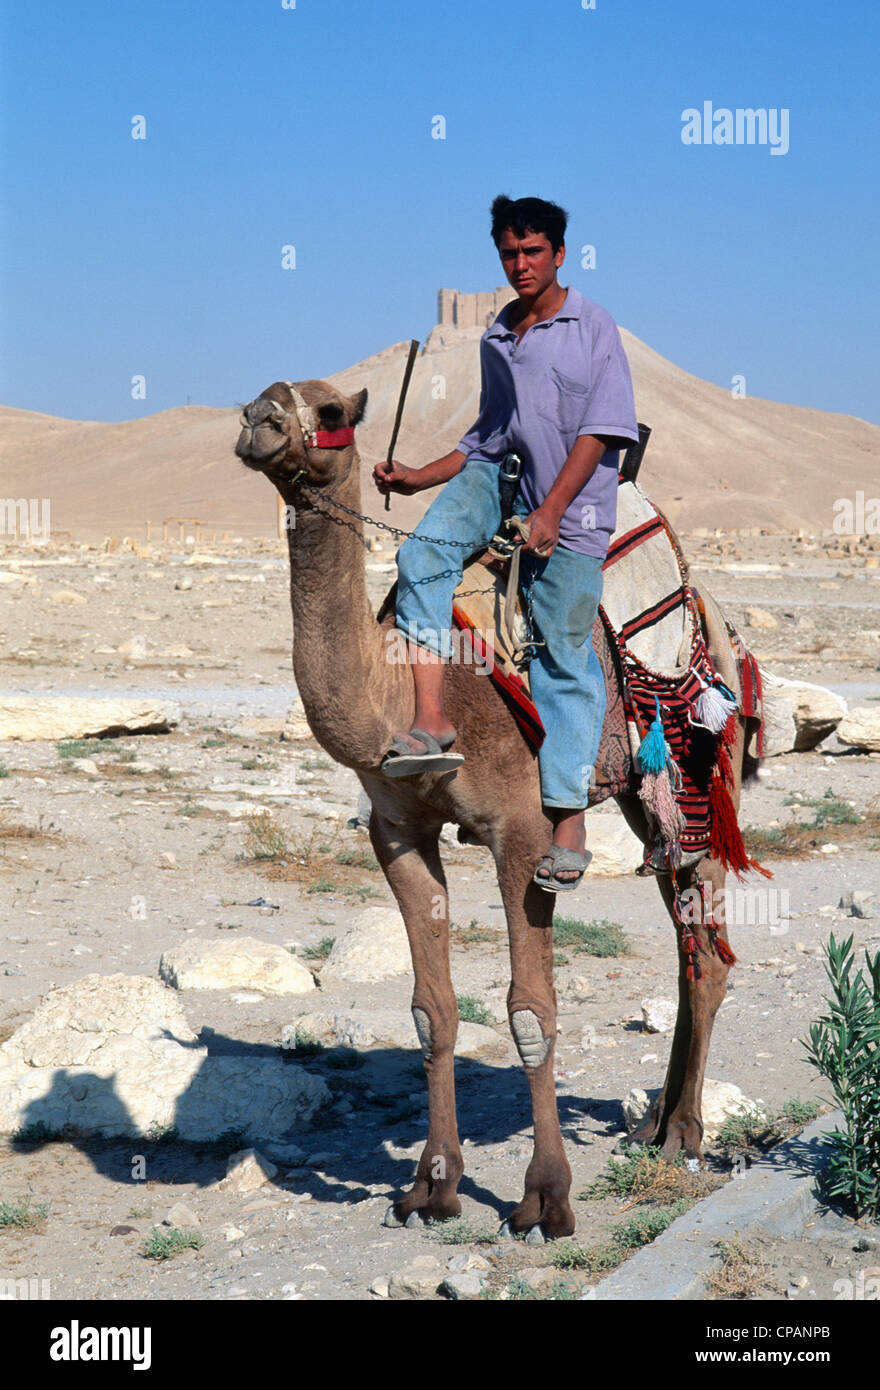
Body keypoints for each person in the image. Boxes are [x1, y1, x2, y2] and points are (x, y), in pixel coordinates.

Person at [373, 195, 638, 890]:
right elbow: (487, 437)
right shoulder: (497, 335)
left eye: (532, 253)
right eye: (508, 255)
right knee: (419, 556)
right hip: (500, 480)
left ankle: (570, 820)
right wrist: (413, 479)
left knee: (561, 653)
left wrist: (550, 512)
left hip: (573, 508)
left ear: (559, 253)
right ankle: (431, 722)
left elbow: (604, 431)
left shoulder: (593, 326)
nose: (520, 265)